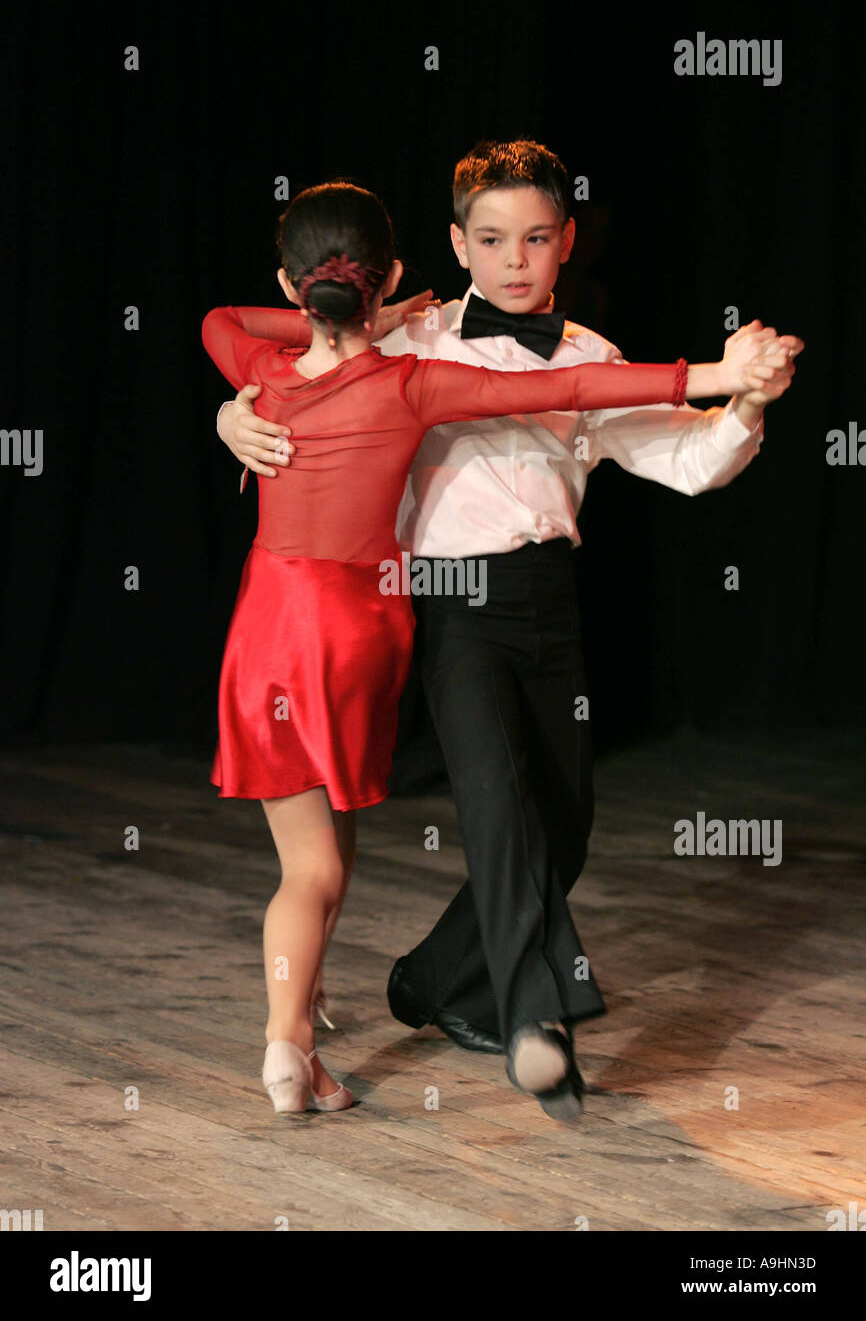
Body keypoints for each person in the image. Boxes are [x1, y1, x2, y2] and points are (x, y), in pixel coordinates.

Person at [207, 174, 799, 1120]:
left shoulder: (589, 352)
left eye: (534, 238)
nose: (513, 260)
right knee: (495, 812)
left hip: (537, 598)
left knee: (558, 829)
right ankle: (536, 1024)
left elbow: (683, 459)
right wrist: (234, 413)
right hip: (441, 599)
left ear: (567, 241)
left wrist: (746, 401)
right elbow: (295, 352)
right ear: (451, 244)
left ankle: (427, 984)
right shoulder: (408, 344)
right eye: (491, 239)